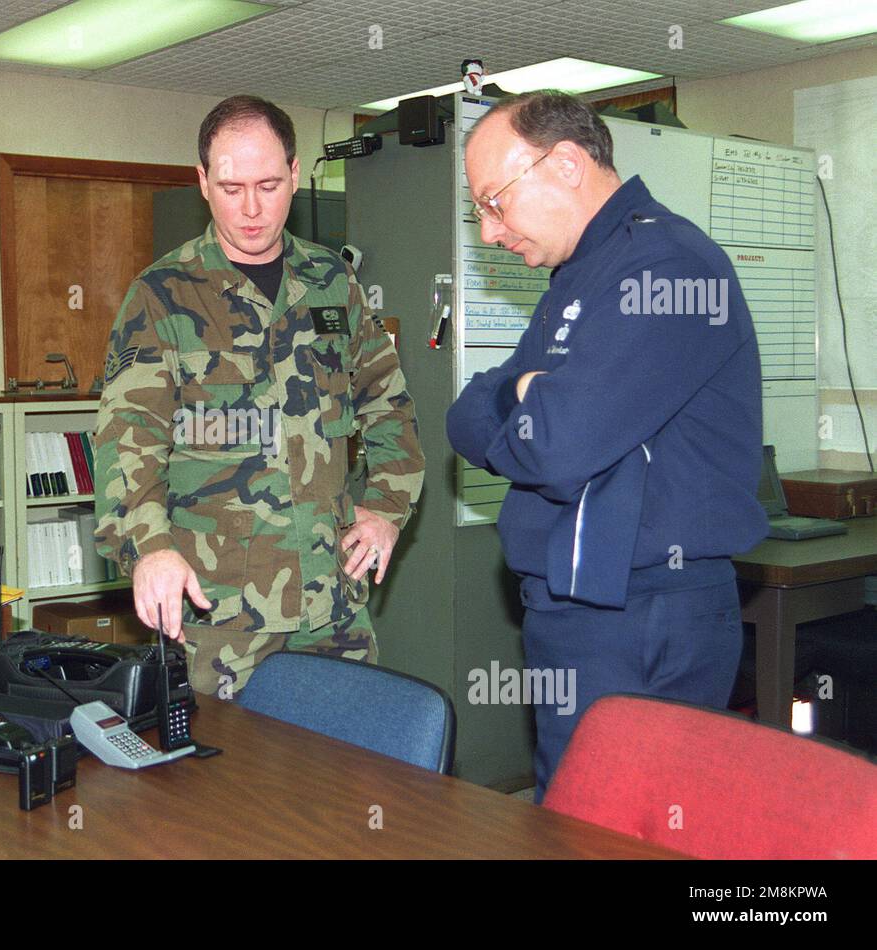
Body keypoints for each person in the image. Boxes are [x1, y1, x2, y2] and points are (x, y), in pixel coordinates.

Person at [447, 91, 768, 801]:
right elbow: (467, 413)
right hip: (579, 606)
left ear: (564, 164)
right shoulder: (584, 275)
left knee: (616, 824)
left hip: (640, 612)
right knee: (571, 815)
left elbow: (558, 447)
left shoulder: (666, 269)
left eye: (494, 202)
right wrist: (522, 391)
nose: (489, 230)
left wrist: (528, 397)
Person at [94, 95, 425, 696]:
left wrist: (386, 508)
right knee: (220, 787)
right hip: (219, 617)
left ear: (296, 175)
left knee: (352, 777)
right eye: (230, 187)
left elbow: (388, 404)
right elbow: (127, 441)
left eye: (269, 185)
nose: (250, 209)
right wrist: (151, 549)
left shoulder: (333, 283)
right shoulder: (161, 297)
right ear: (202, 182)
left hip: (332, 603)